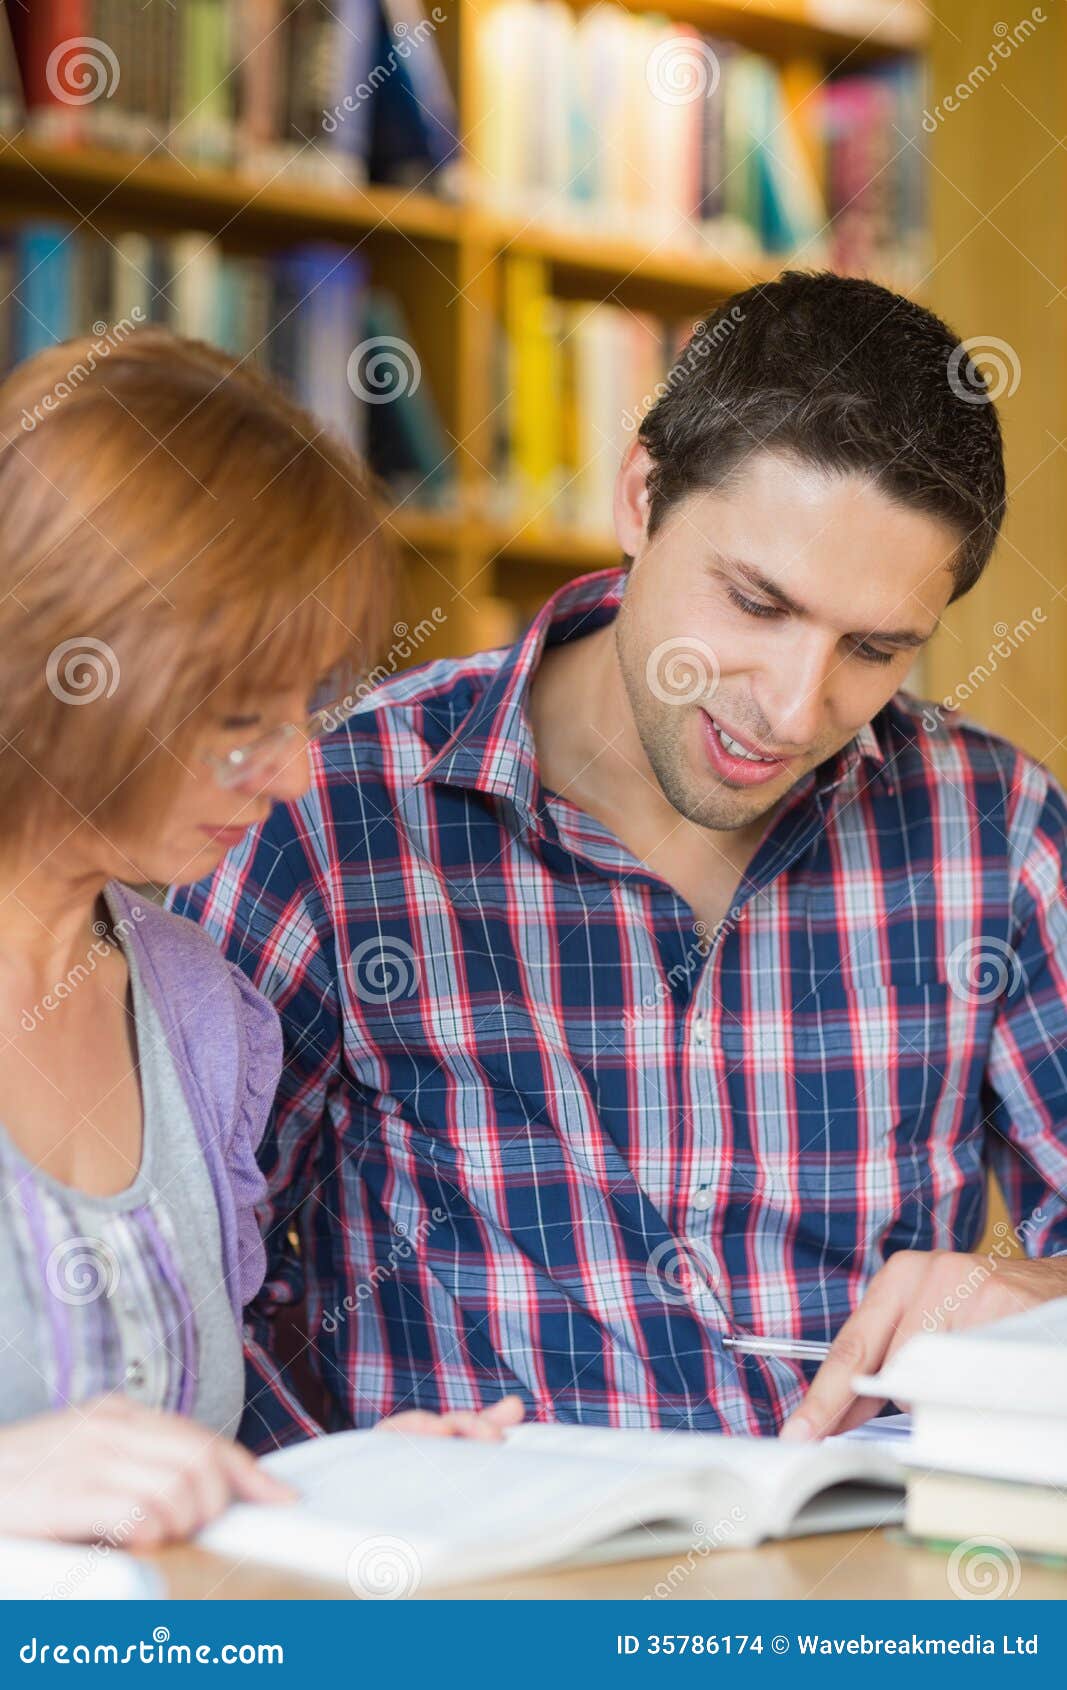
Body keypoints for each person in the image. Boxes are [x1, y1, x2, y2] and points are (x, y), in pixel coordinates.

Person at [171, 271, 1067, 1449]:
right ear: (641, 497)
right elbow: (184, 1296)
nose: (794, 709)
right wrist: (332, 1489)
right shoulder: (334, 814)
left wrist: (1033, 1304)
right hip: (482, 1602)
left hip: (861, 1597)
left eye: (875, 647)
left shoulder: (990, 827)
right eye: (755, 603)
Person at [0, 330, 520, 1550]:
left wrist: (330, 1483)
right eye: (241, 719)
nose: (294, 773)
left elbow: (172, 1454)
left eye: (306, 711)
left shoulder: (201, 1010)